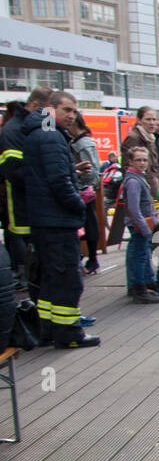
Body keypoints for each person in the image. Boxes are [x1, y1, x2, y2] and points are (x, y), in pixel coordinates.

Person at [23, 91, 98, 347]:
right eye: (67, 110)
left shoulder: (38, 133)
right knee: (67, 279)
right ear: (49, 108)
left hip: (44, 220)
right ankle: (69, 334)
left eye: (74, 111)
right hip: (57, 220)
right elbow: (58, 181)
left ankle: (47, 329)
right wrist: (78, 206)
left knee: (50, 278)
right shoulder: (51, 136)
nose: (72, 116)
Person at [0, 86, 53, 295]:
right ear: (34, 106)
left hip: (41, 203)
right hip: (24, 205)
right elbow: (13, 170)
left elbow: (52, 151)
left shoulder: (43, 122)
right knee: (32, 257)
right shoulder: (13, 131)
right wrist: (47, 178)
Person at [121, 146, 159, 303]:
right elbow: (133, 207)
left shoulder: (138, 178)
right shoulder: (133, 181)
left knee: (140, 254)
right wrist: (145, 229)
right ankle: (139, 288)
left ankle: (142, 284)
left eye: (145, 160)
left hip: (142, 223)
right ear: (130, 161)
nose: (142, 163)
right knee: (140, 256)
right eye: (138, 160)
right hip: (140, 224)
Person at [70, 112, 102, 276]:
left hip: (83, 190)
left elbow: (90, 171)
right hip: (82, 189)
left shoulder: (83, 143)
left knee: (88, 223)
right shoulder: (78, 142)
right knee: (86, 223)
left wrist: (79, 179)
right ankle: (89, 258)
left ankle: (92, 258)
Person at [119, 106, 159, 194]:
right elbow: (127, 167)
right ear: (139, 120)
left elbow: (156, 167)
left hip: (154, 188)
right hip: (141, 189)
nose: (152, 123)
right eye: (148, 119)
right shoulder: (134, 138)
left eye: (154, 119)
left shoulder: (151, 138)